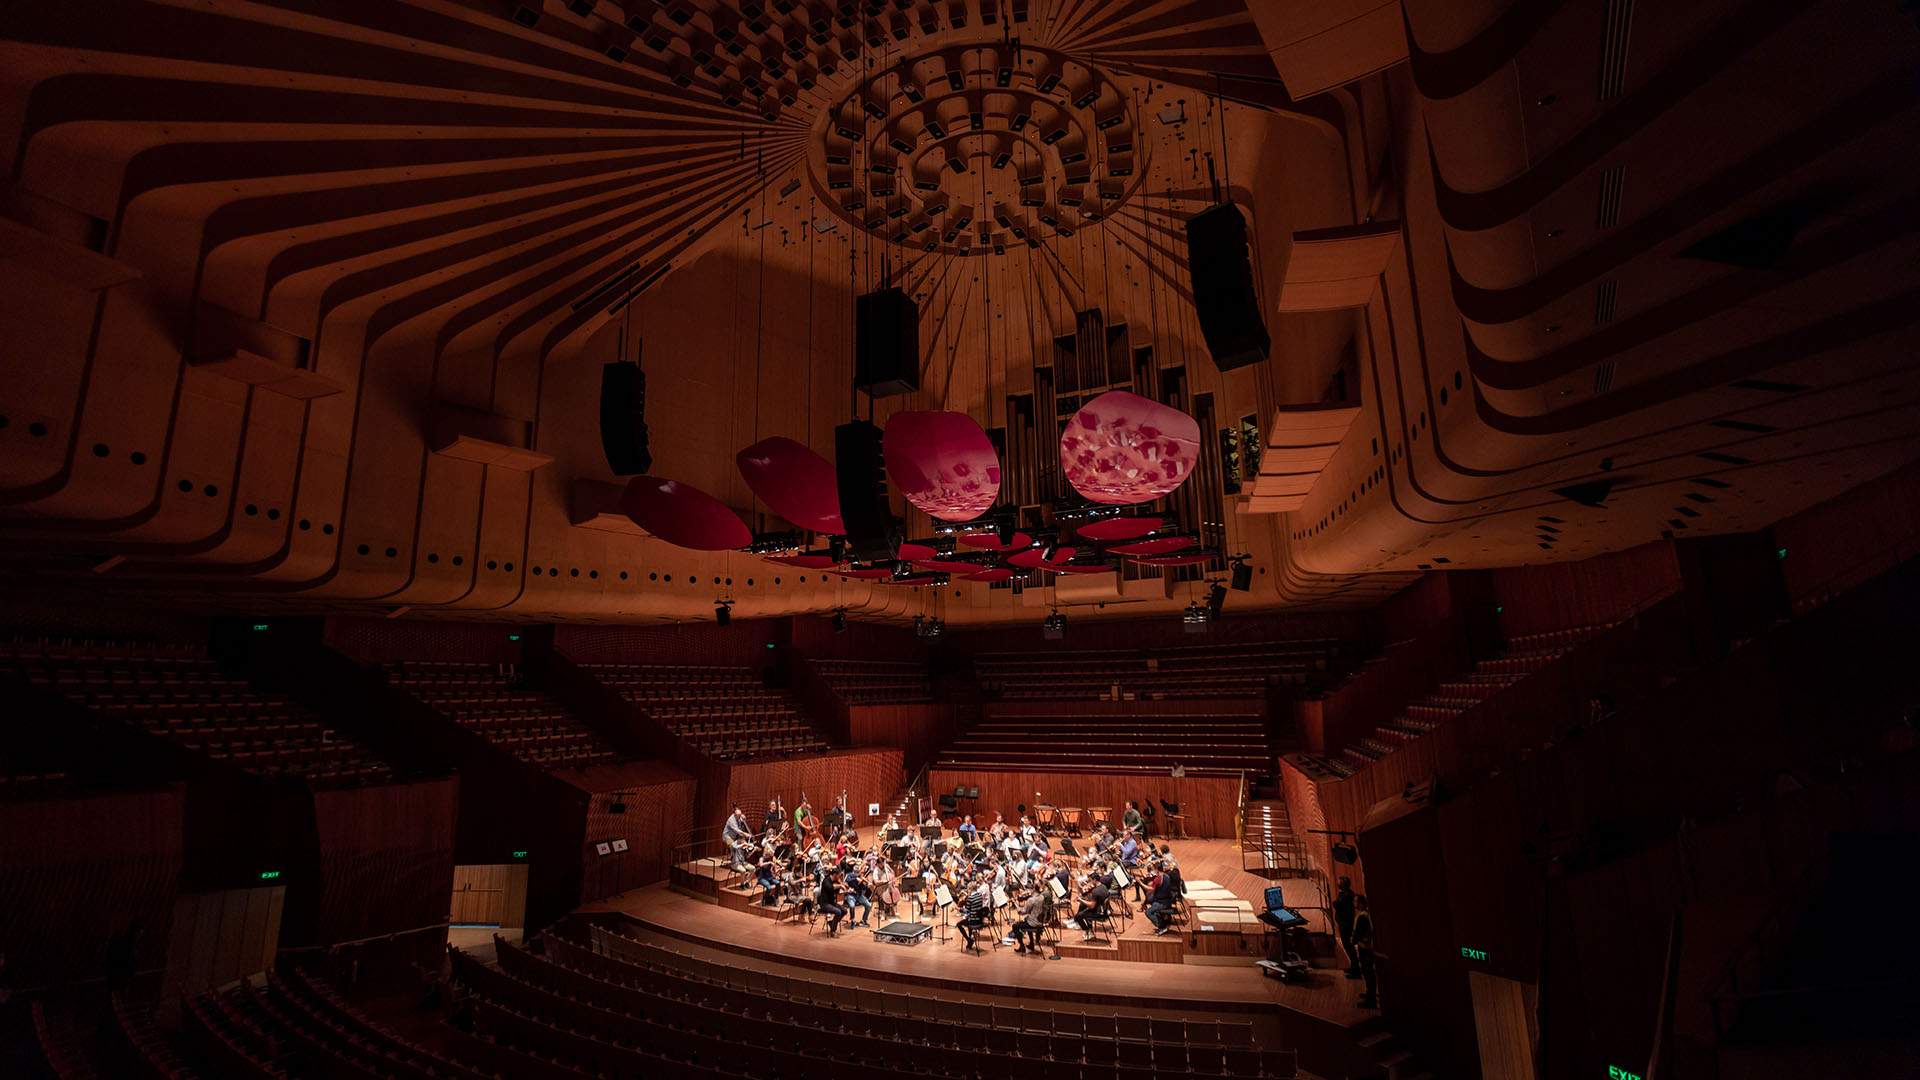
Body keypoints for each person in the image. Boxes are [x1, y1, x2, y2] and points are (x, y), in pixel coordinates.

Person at [1353, 894, 1378, 1008]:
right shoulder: (1365, 914)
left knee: (1368, 974)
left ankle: (1371, 1000)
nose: (1354, 903)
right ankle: (1369, 994)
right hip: (1366, 948)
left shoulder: (1362, 917)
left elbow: (1358, 934)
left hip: (1365, 949)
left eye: (1356, 901)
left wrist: (1353, 940)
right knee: (1368, 973)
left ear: (1361, 903)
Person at [1332, 876, 1359, 978]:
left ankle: (1355, 970)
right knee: (1348, 947)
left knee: (1349, 947)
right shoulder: (1346, 893)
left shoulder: (1346, 895)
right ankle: (1354, 967)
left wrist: (1336, 902)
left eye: (1339, 882)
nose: (1338, 883)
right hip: (1345, 924)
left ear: (1343, 884)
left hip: (1345, 925)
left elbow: (1337, 904)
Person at [1070, 876, 1112, 941]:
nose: (1090, 882)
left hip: (1099, 914)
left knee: (1078, 916)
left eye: (1091, 880)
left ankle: (1088, 931)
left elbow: (1092, 906)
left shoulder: (1095, 891)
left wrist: (1081, 900)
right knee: (1083, 906)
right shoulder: (1103, 886)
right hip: (1104, 910)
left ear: (1094, 880)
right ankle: (1090, 930)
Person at [957, 879, 991, 952]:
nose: (967, 890)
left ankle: (969, 940)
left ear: (970, 889)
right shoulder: (979, 895)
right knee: (968, 919)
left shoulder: (970, 898)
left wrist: (958, 909)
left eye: (968, 889)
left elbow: (966, 911)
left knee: (959, 924)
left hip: (973, 921)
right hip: (979, 920)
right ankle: (970, 940)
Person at [1011, 888, 1048, 953]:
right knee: (1026, 919)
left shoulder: (1031, 900)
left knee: (1015, 926)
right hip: (1040, 922)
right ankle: (1031, 944)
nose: (1027, 891)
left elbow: (1022, 912)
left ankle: (1022, 946)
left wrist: (1015, 903)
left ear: (1033, 890)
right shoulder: (1042, 897)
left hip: (1033, 924)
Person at [1144, 871, 1179, 936]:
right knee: (1152, 901)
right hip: (1168, 900)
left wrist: (1140, 882)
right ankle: (1164, 921)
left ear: (1156, 869)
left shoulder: (1158, 878)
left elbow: (1150, 889)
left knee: (1148, 912)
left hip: (1163, 903)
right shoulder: (1167, 876)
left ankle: (1162, 927)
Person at [816, 871, 848, 937]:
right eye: (838, 875)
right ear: (834, 874)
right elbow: (830, 887)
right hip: (825, 904)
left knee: (844, 911)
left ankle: (832, 923)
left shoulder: (835, 881)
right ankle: (833, 931)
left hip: (832, 903)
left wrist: (844, 887)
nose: (839, 877)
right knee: (838, 912)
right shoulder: (826, 881)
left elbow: (836, 892)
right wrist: (840, 885)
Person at [723, 805, 752, 870]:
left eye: (740, 815)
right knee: (734, 846)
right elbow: (738, 831)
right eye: (738, 816)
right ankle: (734, 862)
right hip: (727, 836)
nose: (740, 817)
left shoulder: (738, 817)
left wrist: (744, 818)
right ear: (734, 815)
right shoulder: (731, 820)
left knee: (743, 843)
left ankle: (741, 860)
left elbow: (742, 821)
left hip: (734, 836)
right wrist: (745, 834)